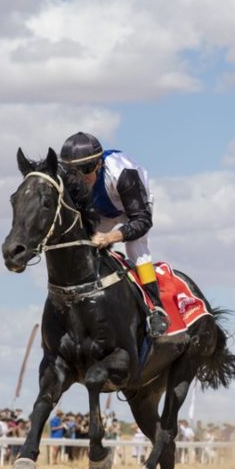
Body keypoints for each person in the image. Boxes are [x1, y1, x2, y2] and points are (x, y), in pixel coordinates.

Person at [59, 131, 169, 337]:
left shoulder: (123, 172)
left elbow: (142, 221)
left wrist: (110, 238)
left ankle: (156, 309)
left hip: (132, 208)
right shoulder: (69, 180)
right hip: (102, 211)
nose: (81, 177)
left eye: (86, 169)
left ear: (99, 164)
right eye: (73, 171)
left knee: (136, 247)